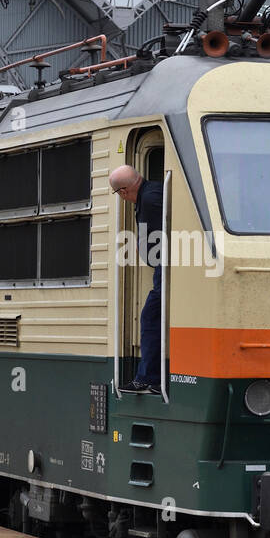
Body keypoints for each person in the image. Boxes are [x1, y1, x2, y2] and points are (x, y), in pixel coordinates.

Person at [109, 164, 163, 394]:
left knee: (150, 318)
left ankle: (148, 379)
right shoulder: (155, 190)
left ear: (123, 192)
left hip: (168, 266)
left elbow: (158, 238)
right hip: (170, 264)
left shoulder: (149, 201)